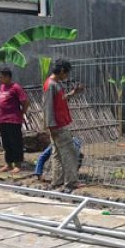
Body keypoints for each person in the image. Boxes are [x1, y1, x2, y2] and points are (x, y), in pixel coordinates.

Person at [43, 59, 83, 193]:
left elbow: (61, 100)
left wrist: (73, 93)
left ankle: (57, 180)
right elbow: (48, 107)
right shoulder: (51, 85)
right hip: (58, 125)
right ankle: (71, 182)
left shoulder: (56, 84)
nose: (67, 76)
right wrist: (51, 126)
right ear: (61, 71)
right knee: (69, 152)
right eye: (66, 73)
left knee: (57, 153)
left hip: (58, 124)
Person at [0, 67, 29, 174]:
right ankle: (8, 164)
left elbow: (25, 101)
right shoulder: (2, 87)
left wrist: (22, 113)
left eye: (1, 77)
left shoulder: (16, 88)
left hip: (13, 120)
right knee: (6, 143)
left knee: (15, 142)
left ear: (7, 77)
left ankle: (18, 164)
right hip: (2, 120)